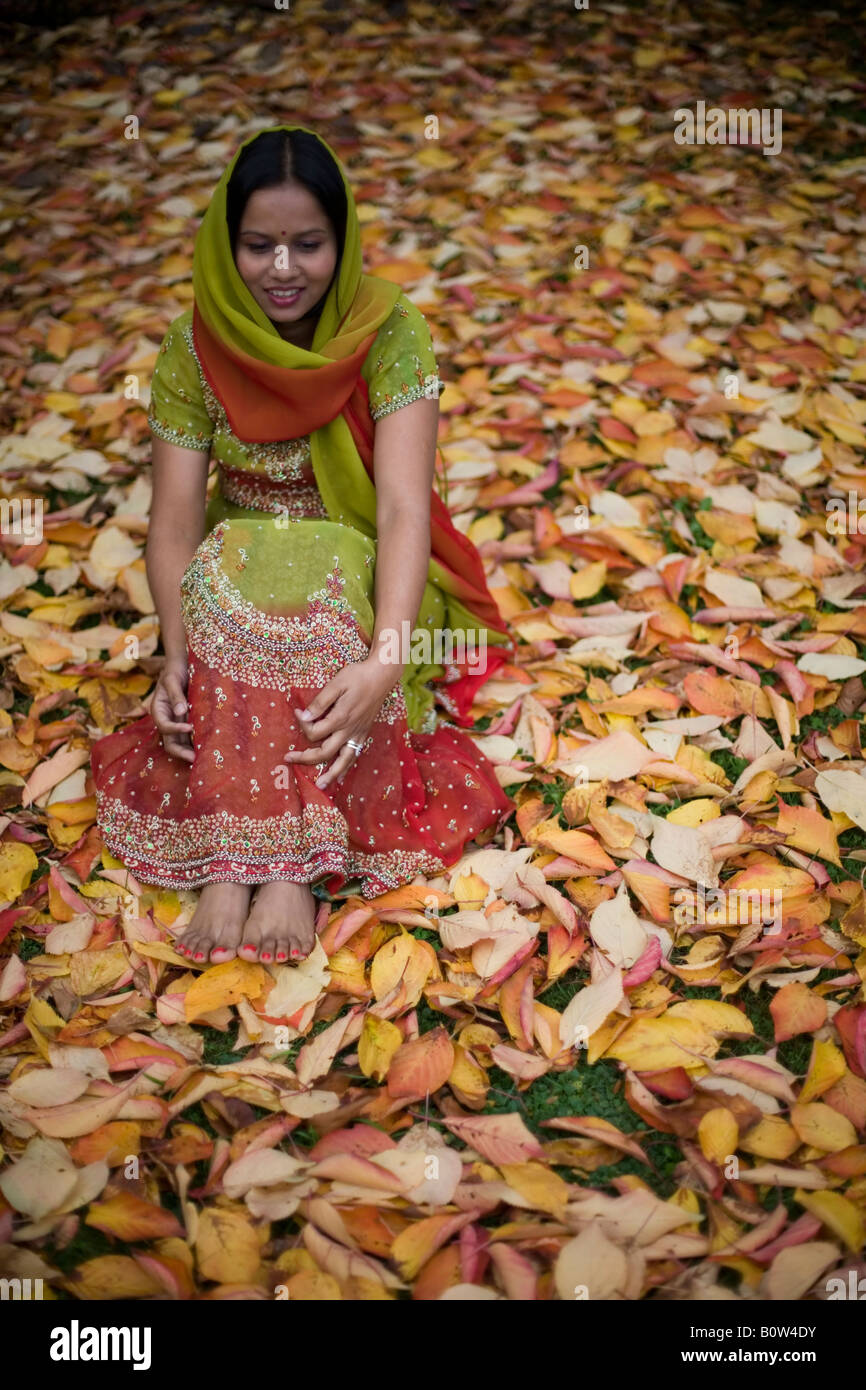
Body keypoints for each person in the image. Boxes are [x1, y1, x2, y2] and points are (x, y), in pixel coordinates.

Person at [90, 123, 516, 968]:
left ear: (343, 240)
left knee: (314, 572)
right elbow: (175, 522)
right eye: (258, 246)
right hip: (235, 568)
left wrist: (388, 658)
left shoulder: (386, 331)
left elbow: (400, 511)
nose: (282, 269)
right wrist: (176, 653)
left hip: (362, 566)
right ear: (227, 244)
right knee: (228, 565)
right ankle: (241, 857)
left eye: (307, 245)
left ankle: (275, 868)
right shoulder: (195, 342)